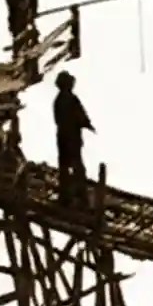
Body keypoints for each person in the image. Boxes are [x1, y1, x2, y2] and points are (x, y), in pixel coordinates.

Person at [53, 71, 93, 207]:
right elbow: (80, 116)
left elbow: (58, 119)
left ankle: (65, 196)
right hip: (72, 138)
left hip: (62, 137)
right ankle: (81, 197)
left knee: (64, 166)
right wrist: (86, 123)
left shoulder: (58, 100)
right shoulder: (71, 99)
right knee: (77, 167)